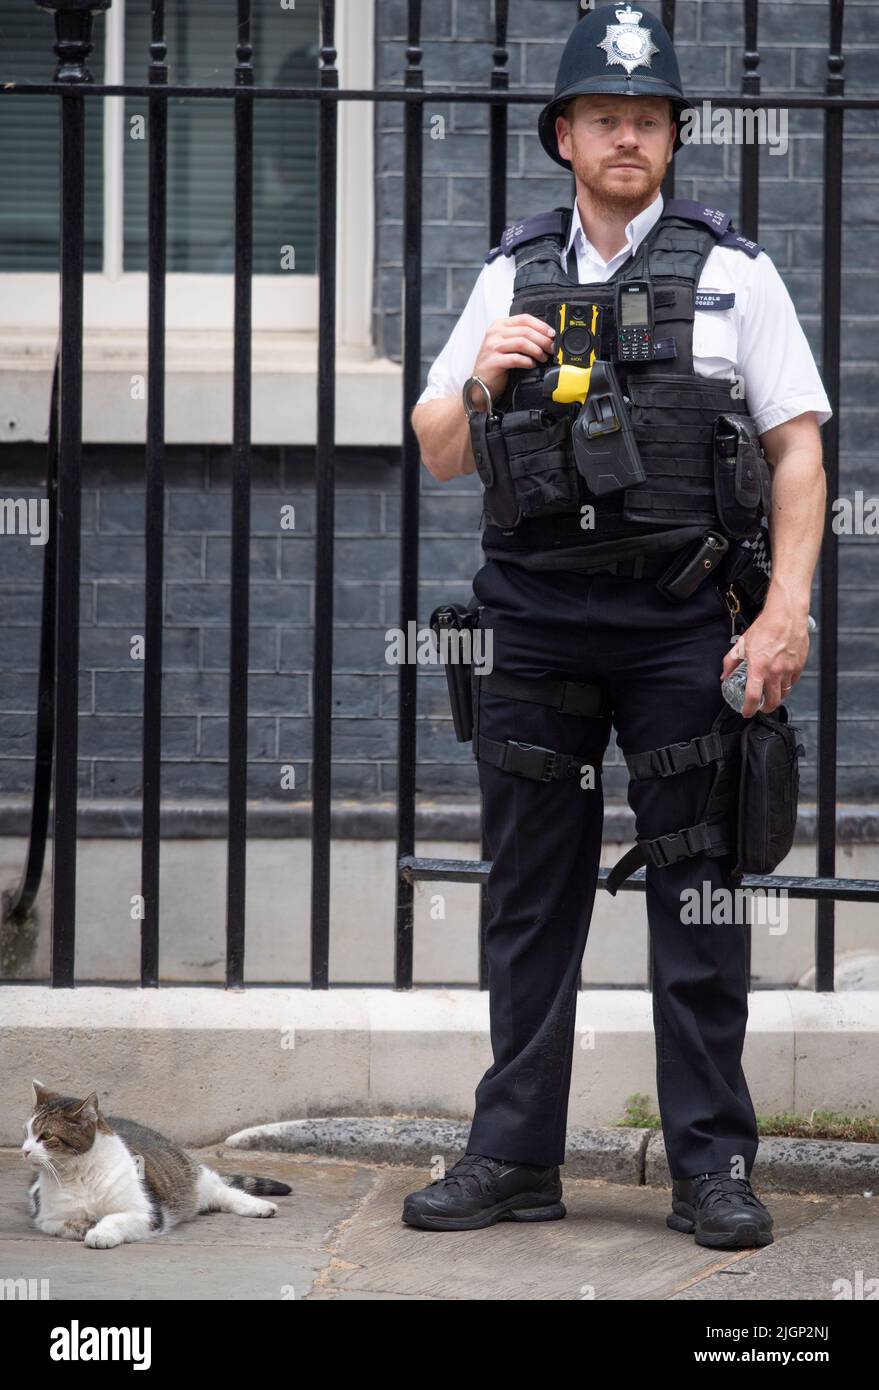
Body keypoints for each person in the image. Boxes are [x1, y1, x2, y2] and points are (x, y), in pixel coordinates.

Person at [403, 4, 831, 1246]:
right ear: (566, 137)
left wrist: (788, 609)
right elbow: (437, 449)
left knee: (700, 894)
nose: (627, 137)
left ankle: (711, 1166)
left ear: (673, 136)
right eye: (605, 118)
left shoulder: (737, 273)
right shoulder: (510, 274)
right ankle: (512, 1156)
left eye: (647, 118)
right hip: (536, 622)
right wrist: (481, 372)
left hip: (684, 620)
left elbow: (798, 451)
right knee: (529, 897)